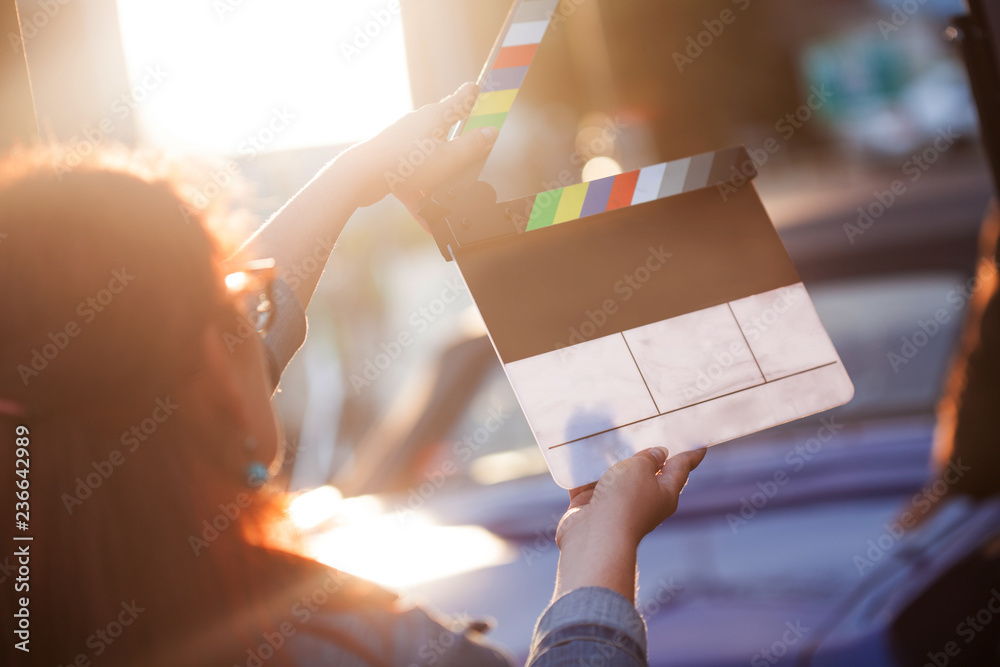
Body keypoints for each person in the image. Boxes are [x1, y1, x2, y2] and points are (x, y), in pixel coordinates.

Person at [0, 84, 706, 666]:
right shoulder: (343, 644)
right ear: (217, 364)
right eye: (240, 299)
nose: (261, 316)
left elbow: (125, 371)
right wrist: (598, 551)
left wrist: (357, 174)